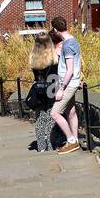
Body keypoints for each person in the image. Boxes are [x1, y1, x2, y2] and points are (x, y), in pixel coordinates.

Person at [48, 17, 82, 154]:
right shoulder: (73, 41)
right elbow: (76, 65)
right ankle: (75, 140)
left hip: (68, 84)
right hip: (73, 82)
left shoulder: (67, 45)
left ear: (55, 30)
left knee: (55, 113)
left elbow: (69, 69)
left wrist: (61, 89)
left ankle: (71, 140)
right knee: (71, 112)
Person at [26, 33, 58, 152]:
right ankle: (50, 143)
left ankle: (41, 145)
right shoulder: (54, 58)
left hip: (38, 89)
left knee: (40, 117)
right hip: (51, 89)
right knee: (50, 116)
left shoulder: (33, 58)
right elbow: (55, 75)